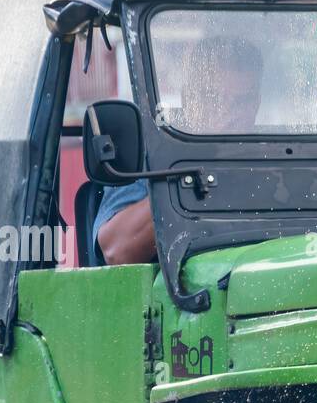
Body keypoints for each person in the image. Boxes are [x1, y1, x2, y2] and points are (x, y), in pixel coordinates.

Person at [92, 39, 263, 266]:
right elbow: (118, 250)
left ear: (256, 104)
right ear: (188, 97)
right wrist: (205, 163)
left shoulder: (279, 157)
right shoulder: (151, 154)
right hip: (176, 294)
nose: (227, 114)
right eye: (213, 99)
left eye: (240, 102)